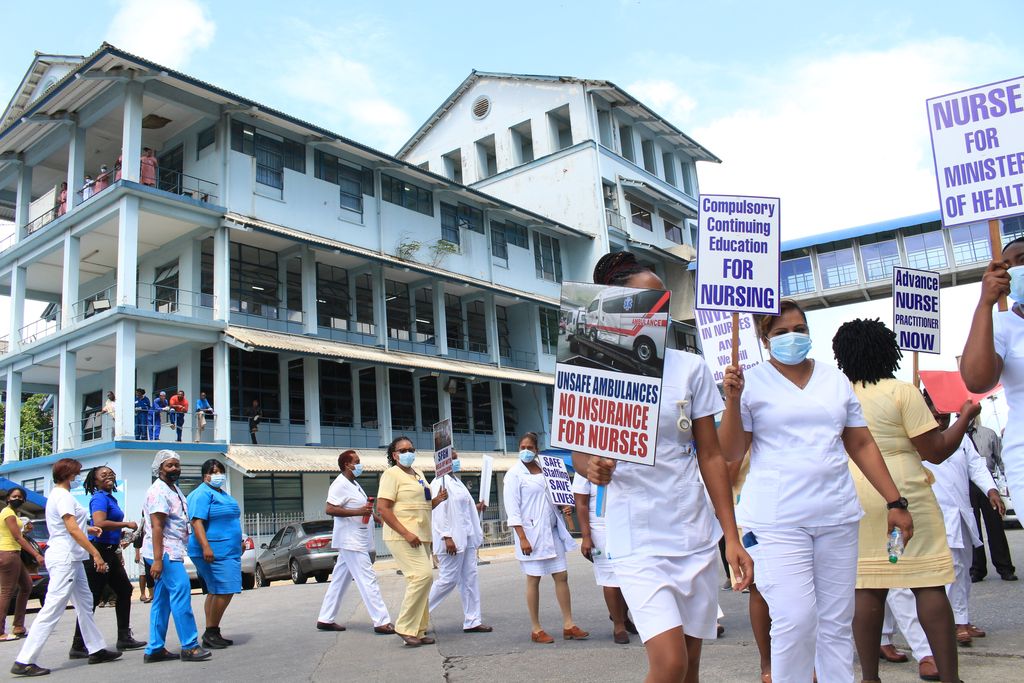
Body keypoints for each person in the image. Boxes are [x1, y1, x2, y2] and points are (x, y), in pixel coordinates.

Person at [575, 252, 752, 683]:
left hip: (692, 534)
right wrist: (592, 466)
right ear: (613, 302)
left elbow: (711, 455)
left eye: (662, 300)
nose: (657, 309)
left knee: (690, 668)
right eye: (645, 299)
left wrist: (730, 536)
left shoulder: (690, 367)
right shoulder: (589, 365)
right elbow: (578, 451)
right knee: (670, 664)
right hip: (637, 538)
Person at [719, 299, 913, 683]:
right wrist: (733, 401)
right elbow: (731, 451)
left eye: (800, 329)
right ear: (764, 339)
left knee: (835, 623)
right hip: (778, 521)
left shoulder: (834, 380)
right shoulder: (749, 382)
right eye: (781, 332)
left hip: (836, 516)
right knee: (795, 618)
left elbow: (860, 443)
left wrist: (895, 501)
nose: (792, 337)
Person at [832, 318, 965, 683]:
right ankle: (951, 678)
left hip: (857, 493)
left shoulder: (839, 394)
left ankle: (869, 678)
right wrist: (966, 417)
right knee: (926, 581)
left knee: (869, 585)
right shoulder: (902, 391)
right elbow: (935, 451)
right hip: (903, 497)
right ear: (888, 351)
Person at [11, 459, 121, 676]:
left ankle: (96, 648)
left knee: (85, 603)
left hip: (72, 557)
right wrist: (96, 553)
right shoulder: (62, 496)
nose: (79, 477)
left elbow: (71, 526)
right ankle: (25, 660)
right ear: (69, 475)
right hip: (65, 558)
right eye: (77, 473)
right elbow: (71, 529)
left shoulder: (61, 495)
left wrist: (89, 529)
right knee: (53, 607)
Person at [921, 396, 1002, 648]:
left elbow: (976, 466)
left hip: (962, 515)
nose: (940, 422)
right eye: (935, 417)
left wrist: (991, 490)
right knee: (951, 570)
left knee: (964, 570)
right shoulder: (919, 438)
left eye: (944, 417)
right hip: (937, 517)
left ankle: (962, 619)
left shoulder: (962, 439)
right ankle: (951, 624)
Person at [961, 237, 1024, 521]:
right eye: (1007, 266)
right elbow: (977, 380)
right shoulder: (1001, 324)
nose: (1014, 271)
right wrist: (985, 304)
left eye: (1022, 261)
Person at [507, 432, 589, 646]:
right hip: (530, 535)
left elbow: (556, 498)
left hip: (552, 533)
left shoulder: (549, 469)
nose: (526, 451)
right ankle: (536, 629)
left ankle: (569, 625)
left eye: (530, 447)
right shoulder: (514, 475)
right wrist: (522, 538)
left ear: (537, 450)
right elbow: (512, 511)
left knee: (561, 575)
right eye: (522, 447)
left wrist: (564, 506)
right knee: (533, 578)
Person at [69, 467, 146, 658]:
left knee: (124, 590)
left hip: (111, 551)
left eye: (111, 474)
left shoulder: (110, 498)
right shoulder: (99, 498)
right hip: (99, 551)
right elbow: (99, 523)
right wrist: (126, 524)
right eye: (103, 475)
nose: (109, 476)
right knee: (92, 598)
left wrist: (120, 539)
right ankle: (78, 645)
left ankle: (124, 637)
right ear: (95, 481)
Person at [142, 449, 210, 663]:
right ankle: (189, 646)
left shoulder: (173, 489)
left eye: (177, 465)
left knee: (162, 600)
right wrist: (158, 560)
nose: (174, 469)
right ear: (159, 468)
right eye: (169, 465)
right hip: (165, 553)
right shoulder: (158, 492)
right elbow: (157, 527)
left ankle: (154, 648)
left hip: (171, 550)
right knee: (181, 592)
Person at [378, 436, 447, 647]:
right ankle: (405, 626)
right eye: (403, 450)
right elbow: (383, 509)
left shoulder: (418, 474)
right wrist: (406, 533)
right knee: (422, 576)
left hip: (422, 535)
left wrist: (437, 500)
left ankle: (418, 629)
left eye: (411, 449)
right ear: (394, 455)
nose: (408, 453)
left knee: (422, 581)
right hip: (403, 536)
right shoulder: (391, 474)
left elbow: (422, 505)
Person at [316, 449, 394, 634]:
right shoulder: (339, 484)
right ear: (347, 465)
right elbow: (330, 509)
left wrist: (378, 519)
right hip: (351, 540)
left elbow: (364, 508)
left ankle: (325, 618)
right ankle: (381, 621)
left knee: (339, 581)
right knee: (368, 579)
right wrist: (358, 512)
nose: (360, 465)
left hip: (355, 539)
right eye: (357, 462)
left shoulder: (354, 484)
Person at [428, 450, 491, 634]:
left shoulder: (456, 481)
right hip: (451, 540)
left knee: (470, 579)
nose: (456, 461)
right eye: (453, 458)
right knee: (448, 580)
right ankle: (415, 614)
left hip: (467, 537)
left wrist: (477, 507)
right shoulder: (439, 482)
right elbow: (438, 512)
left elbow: (461, 508)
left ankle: (473, 620)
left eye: (456, 458)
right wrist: (447, 536)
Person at [571, 472, 632, 644]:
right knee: (610, 578)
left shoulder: (626, 462)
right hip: (600, 530)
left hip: (627, 526)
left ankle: (623, 616)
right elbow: (581, 503)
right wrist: (586, 537)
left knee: (630, 576)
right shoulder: (585, 466)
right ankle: (618, 625)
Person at [187, 459, 242, 649]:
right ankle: (211, 631)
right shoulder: (201, 494)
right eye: (213, 471)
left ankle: (212, 631)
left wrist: (239, 541)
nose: (218, 475)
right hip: (214, 551)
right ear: (205, 476)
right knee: (224, 589)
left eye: (220, 471)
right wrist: (206, 547)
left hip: (228, 550)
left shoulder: (221, 494)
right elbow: (196, 522)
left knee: (216, 590)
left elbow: (229, 520)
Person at [967, 414, 1017, 581]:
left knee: (995, 526)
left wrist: (1009, 482)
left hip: (989, 485)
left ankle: (1005, 568)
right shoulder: (956, 436)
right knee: (972, 528)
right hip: (966, 486)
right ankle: (977, 569)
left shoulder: (989, 434)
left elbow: (1001, 459)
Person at [0, 487, 44, 641]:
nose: (17, 499)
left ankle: (19, 626)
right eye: (14, 496)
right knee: (6, 592)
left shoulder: (12, 513)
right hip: (8, 553)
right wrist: (36, 554)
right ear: (8, 498)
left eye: (20, 497)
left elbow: (16, 534)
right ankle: (0, 632)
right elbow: (17, 538)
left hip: (14, 554)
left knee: (26, 586)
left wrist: (24, 530)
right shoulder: (8, 513)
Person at [132, 517, 153, 603]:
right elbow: (137, 537)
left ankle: (152, 593)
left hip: (153, 550)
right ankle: (143, 594)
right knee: (143, 573)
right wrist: (137, 554)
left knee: (151, 573)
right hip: (143, 550)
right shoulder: (142, 522)